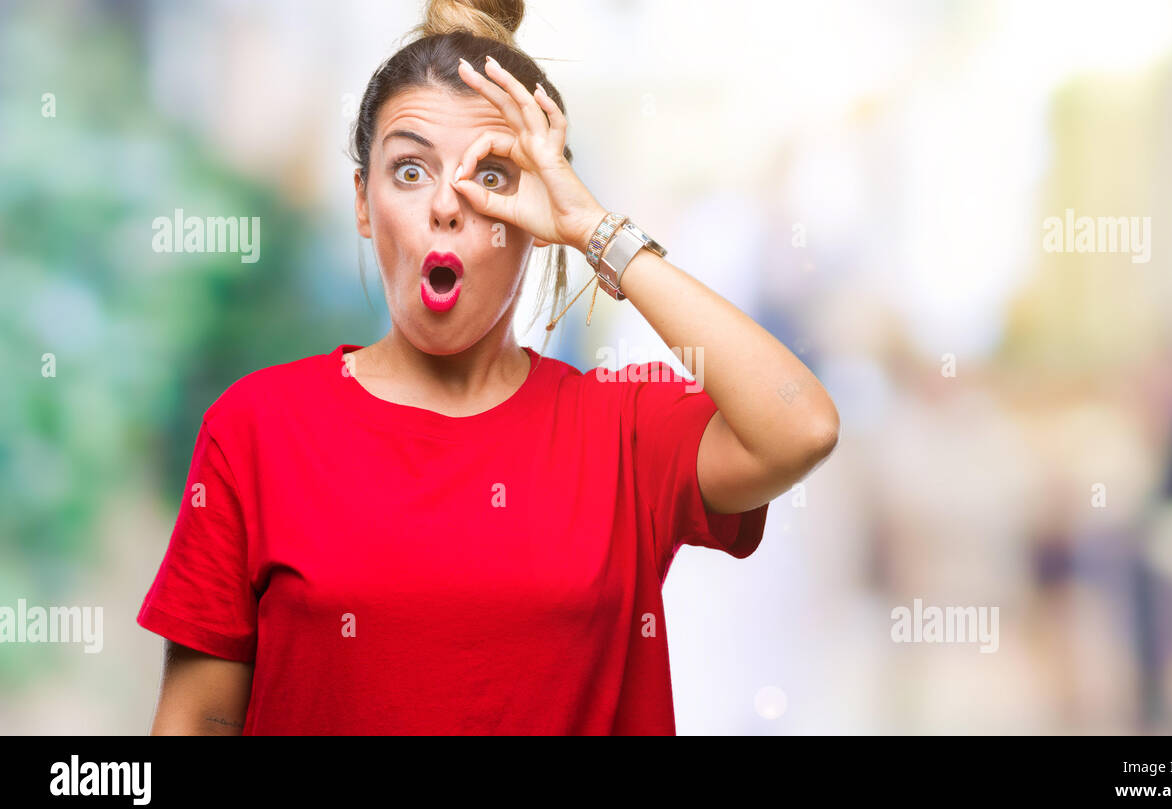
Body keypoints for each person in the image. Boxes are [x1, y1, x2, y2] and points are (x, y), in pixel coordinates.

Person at [137, 0, 839, 735]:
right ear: (363, 204)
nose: (446, 204)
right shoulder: (258, 426)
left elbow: (801, 424)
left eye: (492, 177)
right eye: (409, 170)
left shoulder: (623, 433)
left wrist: (595, 230)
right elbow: (199, 720)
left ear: (538, 213)